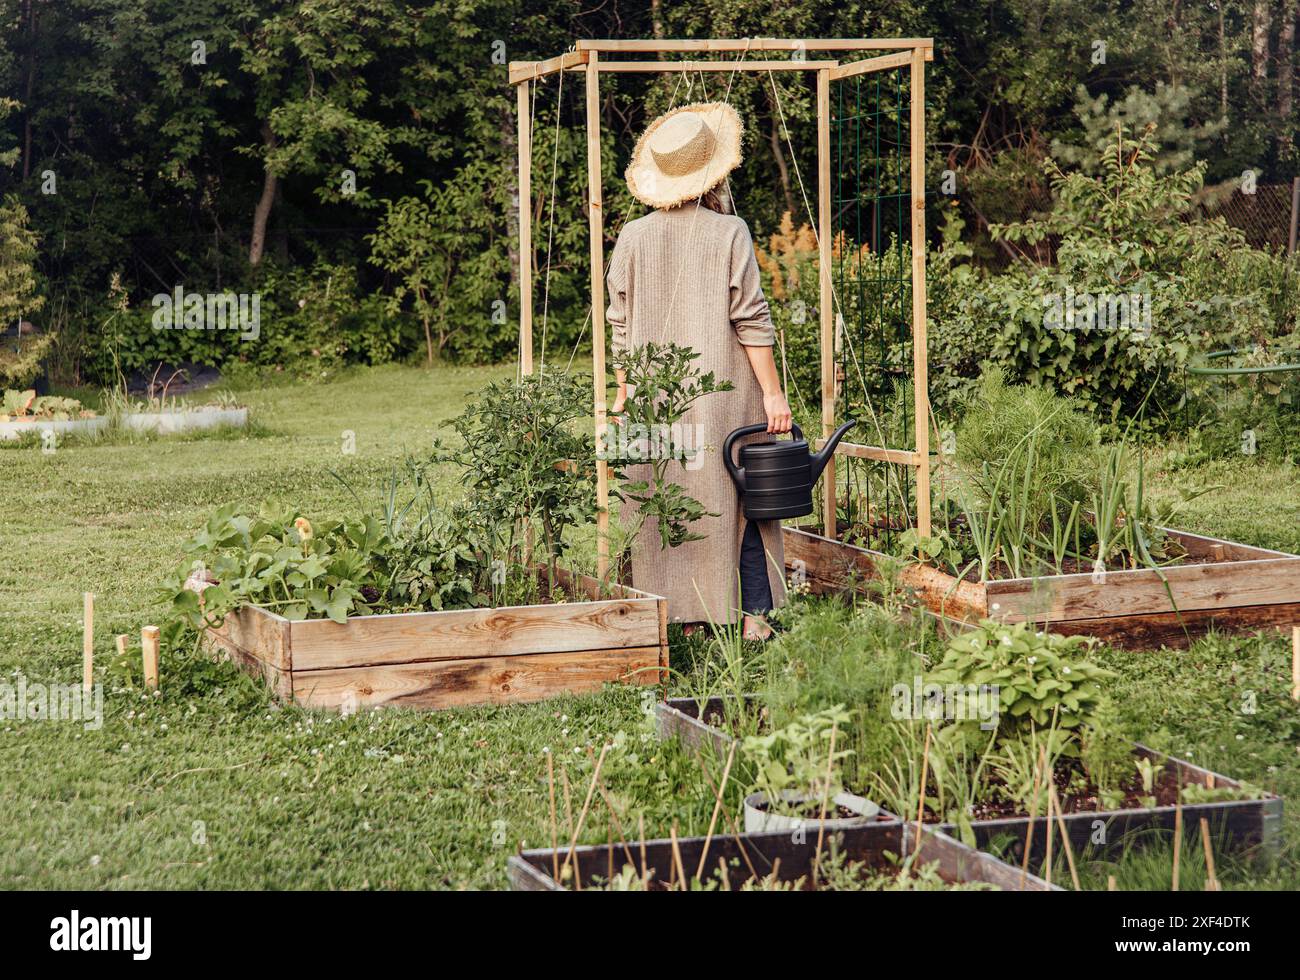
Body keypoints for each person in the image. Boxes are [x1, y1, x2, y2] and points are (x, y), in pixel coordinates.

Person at [606, 101, 793, 641]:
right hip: (724, 394)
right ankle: (755, 620)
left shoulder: (632, 237)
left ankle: (681, 622)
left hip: (653, 396)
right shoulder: (730, 231)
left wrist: (623, 394)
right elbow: (751, 321)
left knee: (665, 497)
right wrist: (774, 397)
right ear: (714, 172)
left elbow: (620, 326)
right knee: (744, 498)